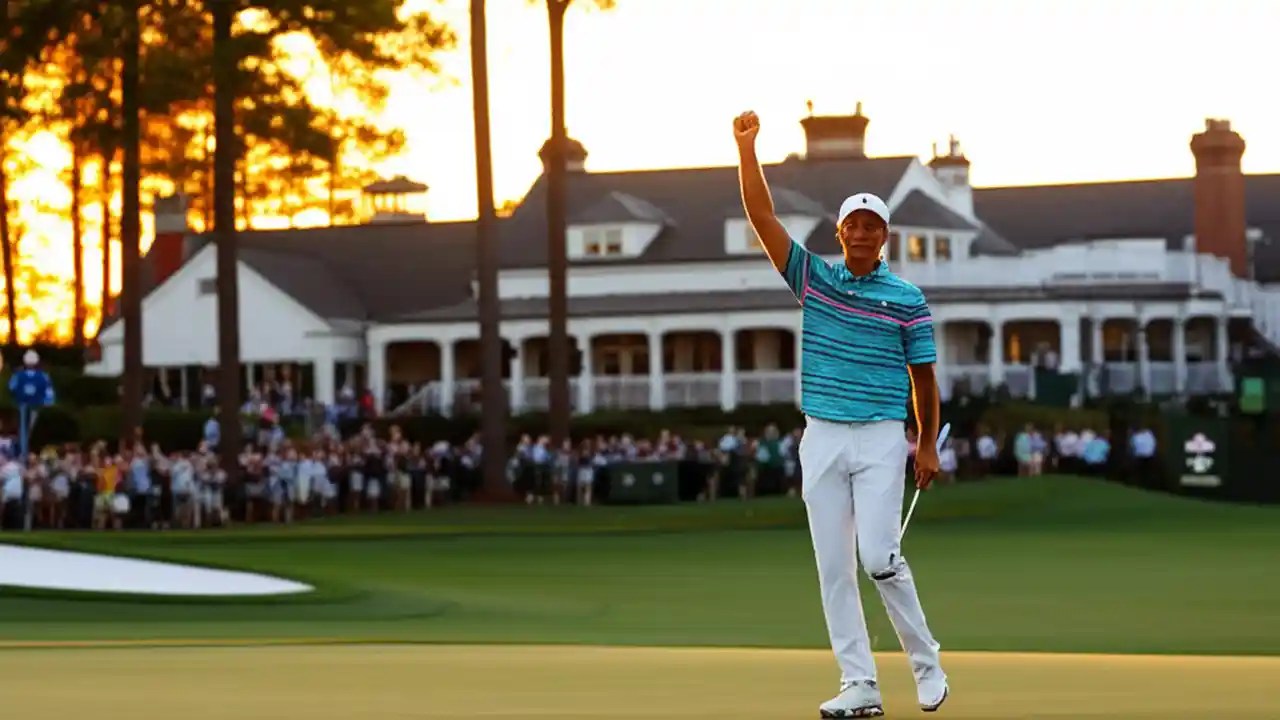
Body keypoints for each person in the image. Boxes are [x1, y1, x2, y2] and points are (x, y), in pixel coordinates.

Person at [734, 110, 948, 718]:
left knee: (879, 557)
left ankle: (926, 661)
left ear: (884, 236)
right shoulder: (814, 280)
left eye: (871, 226)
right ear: (839, 232)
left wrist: (925, 444)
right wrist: (747, 149)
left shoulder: (907, 298)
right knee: (834, 570)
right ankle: (860, 684)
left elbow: (924, 377)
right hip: (822, 436)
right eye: (853, 224)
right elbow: (762, 216)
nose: (861, 233)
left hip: (881, 436)